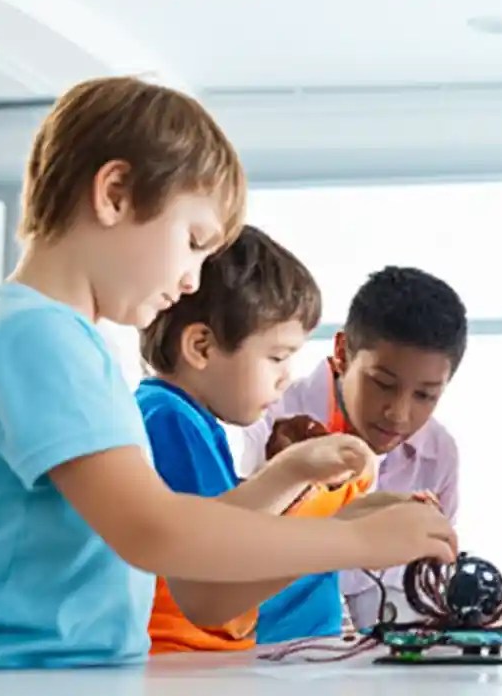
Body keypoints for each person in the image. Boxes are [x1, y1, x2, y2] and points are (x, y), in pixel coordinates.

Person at [0, 77, 456, 669]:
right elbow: (155, 530)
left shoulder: (62, 340)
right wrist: (356, 541)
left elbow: (194, 586)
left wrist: (322, 506)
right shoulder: (36, 334)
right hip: (25, 674)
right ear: (116, 194)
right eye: (194, 241)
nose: (193, 282)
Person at [138, 224, 384, 653]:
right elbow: (217, 550)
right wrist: (300, 477)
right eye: (276, 357)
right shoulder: (170, 419)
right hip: (181, 661)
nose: (286, 376)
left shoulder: (186, 418)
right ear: (201, 347)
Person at [242, 266, 467, 642]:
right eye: (382, 384)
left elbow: (426, 586)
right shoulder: (266, 419)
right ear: (342, 352)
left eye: (425, 395)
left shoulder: (438, 454)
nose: (398, 412)